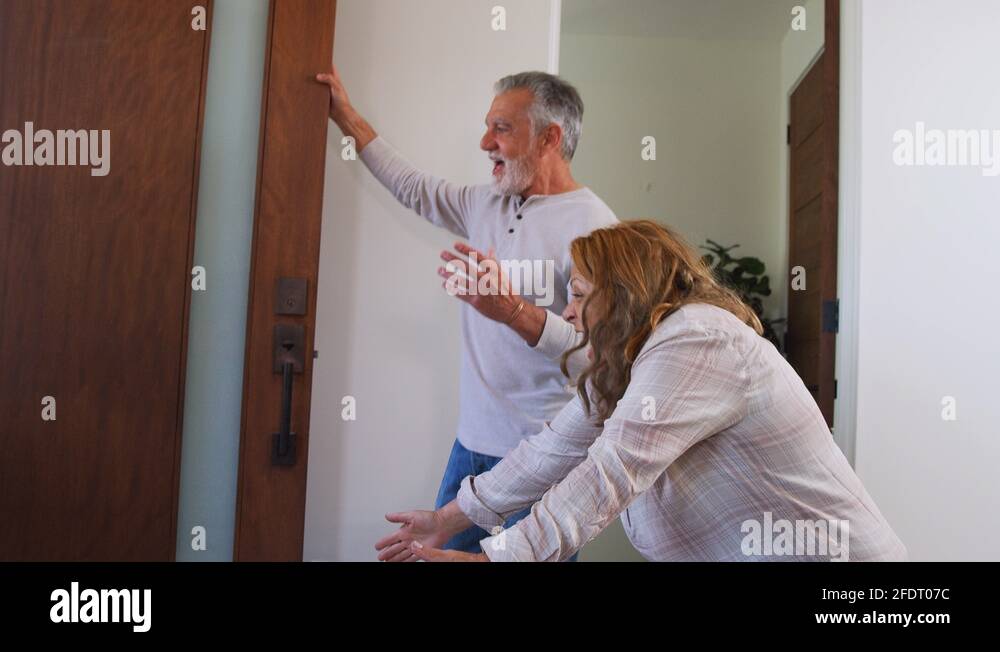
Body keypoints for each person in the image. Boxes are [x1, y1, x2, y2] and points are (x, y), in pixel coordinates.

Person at [375, 220, 908, 562]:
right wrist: (446, 520)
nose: (567, 311)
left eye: (580, 293)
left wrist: (497, 559)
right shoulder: (630, 365)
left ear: (623, 294)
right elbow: (551, 451)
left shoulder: (696, 338)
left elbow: (612, 471)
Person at [315, 67, 617, 557]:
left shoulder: (597, 229)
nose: (485, 142)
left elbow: (605, 365)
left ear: (549, 138)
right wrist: (345, 116)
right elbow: (411, 187)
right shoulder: (485, 205)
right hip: (469, 449)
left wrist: (516, 312)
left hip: (545, 459)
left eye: (501, 128)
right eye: (487, 126)